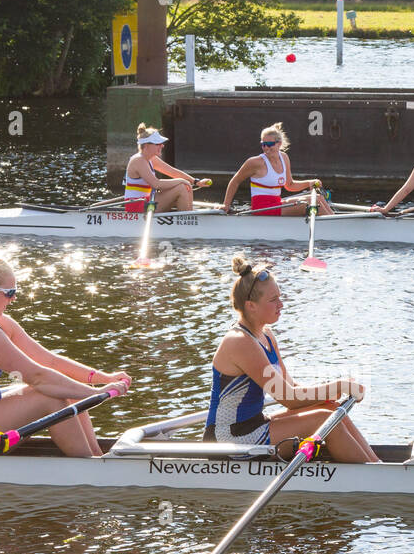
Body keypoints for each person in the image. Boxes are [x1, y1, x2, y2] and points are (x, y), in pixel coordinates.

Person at [0, 238, 130, 457]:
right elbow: (37, 376)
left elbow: (50, 362)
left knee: (64, 389)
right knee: (50, 396)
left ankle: (98, 458)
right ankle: (92, 472)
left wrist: (104, 378)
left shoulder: (0, 323)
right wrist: (94, 393)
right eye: (9, 292)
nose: (14, 298)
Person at [205, 256, 377, 463]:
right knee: (324, 420)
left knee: (331, 410)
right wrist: (338, 386)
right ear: (251, 306)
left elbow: (290, 387)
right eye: (273, 300)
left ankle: (377, 466)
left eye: (280, 296)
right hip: (229, 440)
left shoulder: (266, 335)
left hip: (254, 425)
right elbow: (287, 398)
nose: (281, 304)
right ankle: (377, 476)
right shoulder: (239, 342)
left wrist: (328, 395)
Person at [219, 122, 332, 216]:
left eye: (269, 144)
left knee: (319, 197)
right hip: (262, 207)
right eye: (263, 144)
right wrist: (226, 205)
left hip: (277, 203)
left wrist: (310, 182)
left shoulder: (284, 157)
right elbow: (236, 180)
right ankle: (336, 227)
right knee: (313, 202)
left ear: (279, 144)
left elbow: (290, 185)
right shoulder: (255, 162)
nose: (266, 148)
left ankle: (337, 221)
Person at [123, 123, 209, 214]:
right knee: (181, 187)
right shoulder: (138, 160)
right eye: (158, 144)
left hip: (148, 200)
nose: (162, 146)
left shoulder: (151, 159)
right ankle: (188, 218)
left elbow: (173, 172)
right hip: (137, 206)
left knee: (184, 186)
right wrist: (182, 181)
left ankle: (188, 216)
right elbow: (156, 184)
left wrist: (196, 181)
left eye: (161, 143)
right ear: (146, 145)